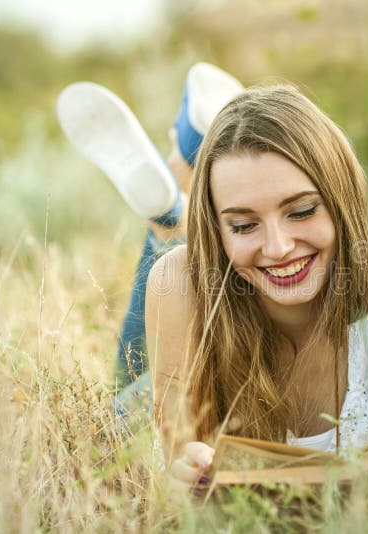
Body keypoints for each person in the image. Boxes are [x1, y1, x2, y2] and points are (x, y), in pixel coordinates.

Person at [141, 84, 368, 494]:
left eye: (301, 211)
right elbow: (176, 465)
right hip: (151, 369)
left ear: (340, 198)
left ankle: (182, 190)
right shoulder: (178, 283)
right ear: (218, 230)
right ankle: (170, 211)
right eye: (244, 224)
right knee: (167, 268)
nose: (279, 247)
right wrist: (184, 473)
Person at [57, 63, 244, 424]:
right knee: (179, 251)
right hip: (221, 364)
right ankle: (171, 220)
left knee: (118, 409)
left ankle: (171, 216)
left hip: (193, 389)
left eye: (174, 144)